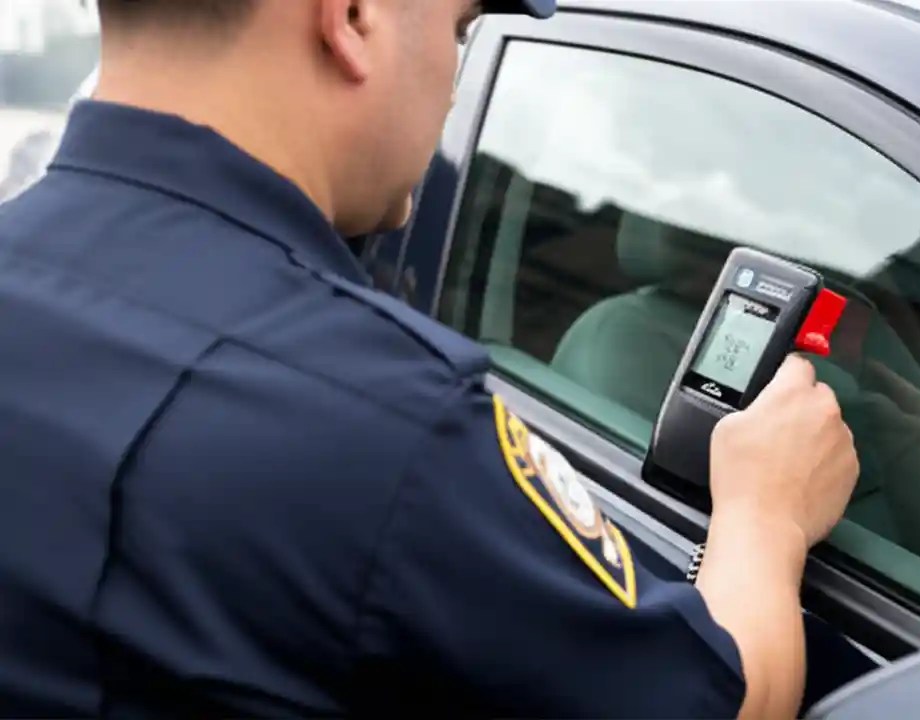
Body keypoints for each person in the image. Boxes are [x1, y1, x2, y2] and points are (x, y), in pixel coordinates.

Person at [0, 0, 860, 717]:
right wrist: (767, 515)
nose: (455, 82)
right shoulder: (385, 426)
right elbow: (719, 701)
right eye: (458, 29)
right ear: (352, 17)